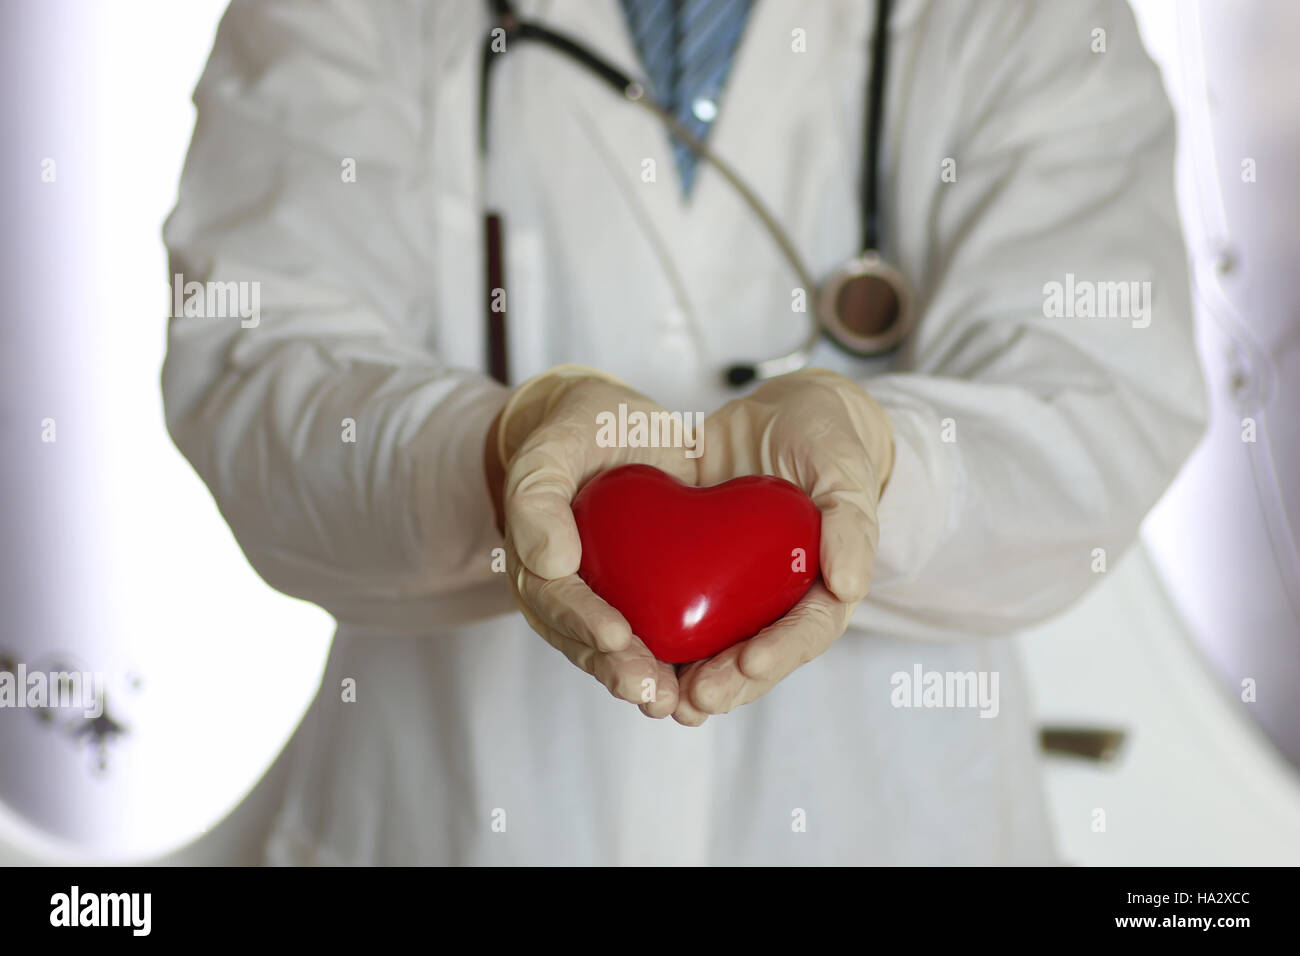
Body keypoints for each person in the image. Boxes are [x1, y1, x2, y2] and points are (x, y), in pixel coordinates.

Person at [161, 0, 1206, 865]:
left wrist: (883, 460)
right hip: (447, 811)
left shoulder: (1028, 19)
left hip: (891, 815)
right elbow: (256, 359)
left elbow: (1100, 390)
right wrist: (495, 453)